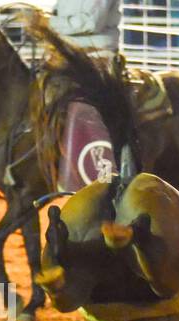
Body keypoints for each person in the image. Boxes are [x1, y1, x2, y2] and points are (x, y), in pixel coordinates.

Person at [47, 0, 123, 191]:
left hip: (97, 56)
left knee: (83, 105)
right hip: (69, 56)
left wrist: (49, 23)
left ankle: (98, 173)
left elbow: (90, 23)